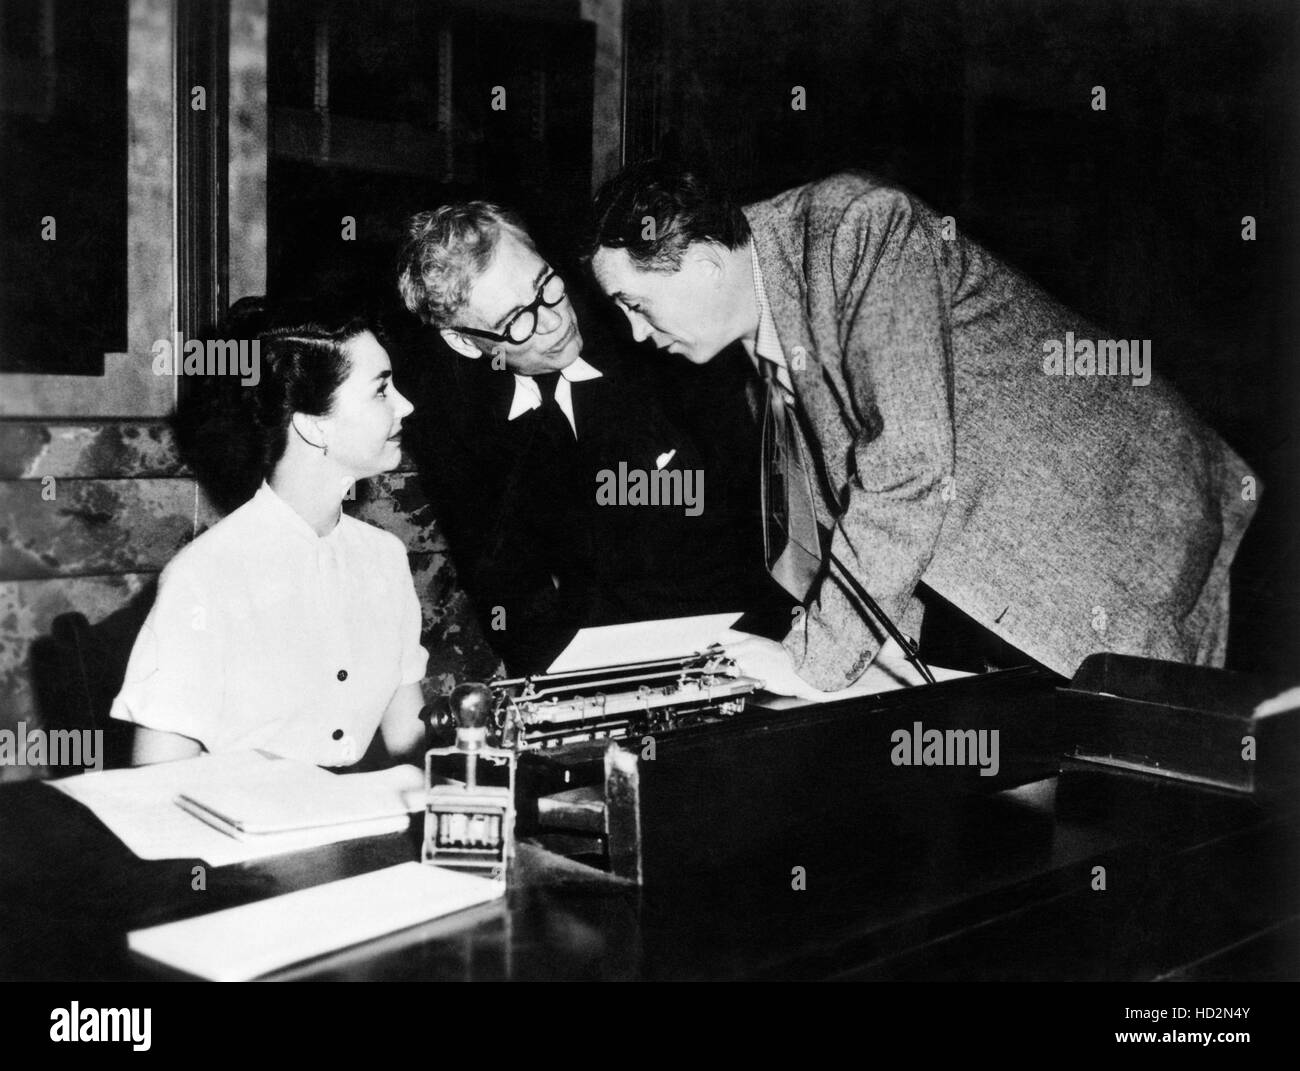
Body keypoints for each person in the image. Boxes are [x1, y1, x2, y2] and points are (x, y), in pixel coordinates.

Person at [587, 161, 1258, 696]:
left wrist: (815, 661)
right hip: (1040, 588)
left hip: (1147, 534)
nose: (638, 334)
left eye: (636, 305)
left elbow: (907, 464)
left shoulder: (860, 230)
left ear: (705, 265)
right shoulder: (762, 362)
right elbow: (857, 529)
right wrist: (858, 662)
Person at [395, 201, 791, 674]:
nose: (553, 320)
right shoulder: (455, 423)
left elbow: (764, 525)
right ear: (464, 341)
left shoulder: (657, 329)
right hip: (600, 669)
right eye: (516, 322)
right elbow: (512, 604)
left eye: (546, 286)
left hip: (749, 644)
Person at [111, 302, 429, 766]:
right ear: (315, 425)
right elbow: (156, 783)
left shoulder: (384, 557)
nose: (406, 404)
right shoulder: (204, 576)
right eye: (381, 390)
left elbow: (412, 748)